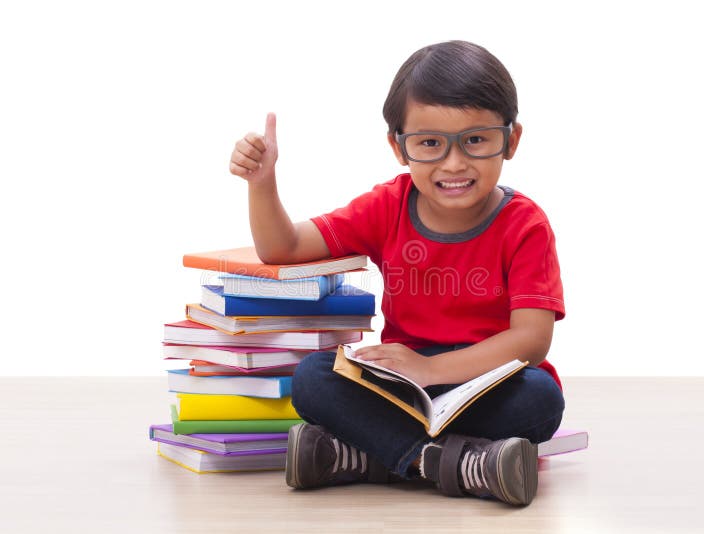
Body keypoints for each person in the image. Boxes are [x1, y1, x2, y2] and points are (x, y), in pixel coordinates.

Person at [228, 40, 565, 506]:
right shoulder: (388, 206)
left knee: (541, 400)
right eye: (429, 143)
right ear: (397, 146)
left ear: (511, 139)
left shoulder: (525, 224)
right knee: (312, 378)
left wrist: (433, 369)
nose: (454, 163)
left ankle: (368, 456)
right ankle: (450, 463)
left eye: (476, 139)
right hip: (402, 384)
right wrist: (261, 185)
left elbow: (531, 341)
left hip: (487, 382)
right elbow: (281, 248)